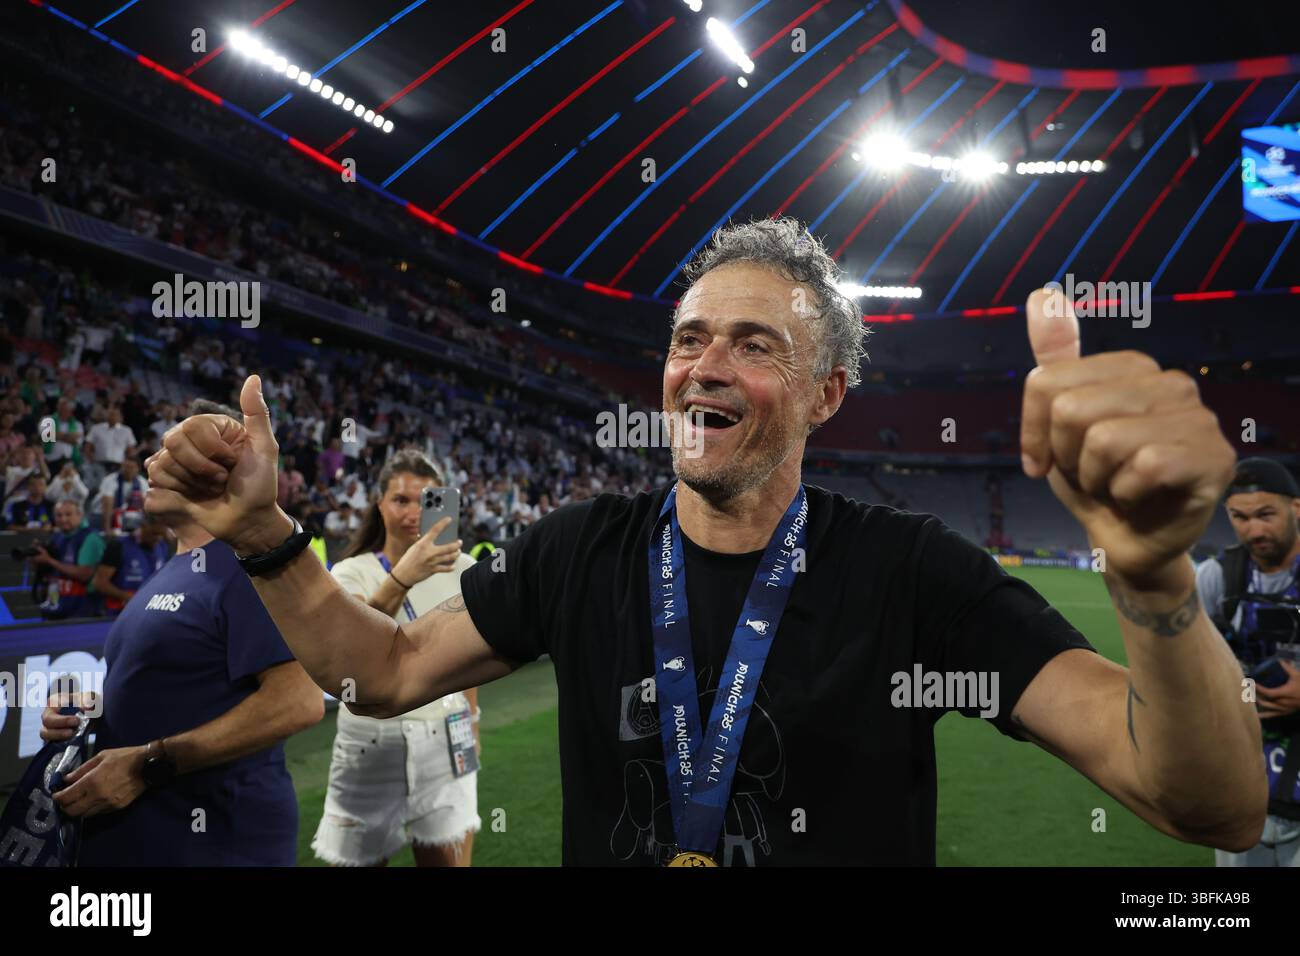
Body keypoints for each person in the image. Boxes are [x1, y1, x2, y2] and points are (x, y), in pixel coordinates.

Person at [147, 218, 1266, 866]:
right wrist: (262, 530)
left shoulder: (914, 572)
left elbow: (1208, 802)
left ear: (826, 394)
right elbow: (381, 672)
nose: (704, 365)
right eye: (688, 339)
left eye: (751, 343)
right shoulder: (579, 545)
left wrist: (1153, 567)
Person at [40, 400, 323, 865]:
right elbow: (173, 690)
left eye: (172, 454)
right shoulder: (173, 568)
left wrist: (145, 765)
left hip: (213, 846)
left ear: (219, 470)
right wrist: (85, 713)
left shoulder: (247, 566)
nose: (151, 463)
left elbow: (298, 701)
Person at [311, 449, 481, 867]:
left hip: (447, 732)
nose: (411, 511)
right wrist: (404, 575)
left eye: (425, 500)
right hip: (369, 742)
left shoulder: (467, 570)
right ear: (379, 503)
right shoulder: (351, 571)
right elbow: (347, 654)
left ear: (444, 502)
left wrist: (472, 727)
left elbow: (471, 662)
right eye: (400, 499)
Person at [1196, 457, 1300, 867]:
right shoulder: (1216, 578)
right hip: (1241, 788)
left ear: (1296, 508)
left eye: (1266, 515)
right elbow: (1186, 675)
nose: (1254, 530)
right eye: (1240, 517)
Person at [32, 499, 105, 619]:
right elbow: (45, 571)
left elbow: (85, 574)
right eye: (59, 515)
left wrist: (50, 560)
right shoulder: (57, 537)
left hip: (81, 610)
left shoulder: (90, 537)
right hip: (55, 606)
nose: (63, 519)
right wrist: (35, 559)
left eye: (68, 514)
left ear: (80, 515)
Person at [93, 511, 173, 615]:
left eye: (162, 535)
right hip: (117, 614)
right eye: (154, 533)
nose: (158, 538)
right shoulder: (119, 546)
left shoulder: (162, 547)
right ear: (143, 526)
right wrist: (126, 596)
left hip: (149, 613)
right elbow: (99, 583)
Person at [96, 456, 148, 534]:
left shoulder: (142, 482)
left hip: (127, 516)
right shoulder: (110, 479)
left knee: (147, 503)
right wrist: (107, 528)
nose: (127, 470)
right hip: (102, 514)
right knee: (108, 502)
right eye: (125, 466)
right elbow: (107, 502)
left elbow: (146, 504)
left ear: (138, 469)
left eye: (131, 467)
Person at [85, 404, 136, 468]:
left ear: (120, 416)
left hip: (119, 464)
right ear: (107, 415)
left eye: (115, 415)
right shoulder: (96, 428)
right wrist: (91, 460)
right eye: (111, 414)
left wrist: (126, 462)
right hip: (99, 463)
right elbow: (87, 446)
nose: (113, 417)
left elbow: (131, 450)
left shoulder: (126, 430)